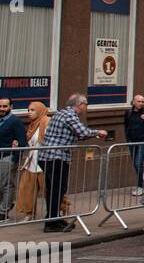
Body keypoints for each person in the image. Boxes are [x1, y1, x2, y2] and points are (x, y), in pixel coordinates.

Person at [38, 94, 107, 233]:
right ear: (79, 104)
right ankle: (51, 222)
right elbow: (81, 131)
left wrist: (93, 135)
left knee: (55, 189)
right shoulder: (70, 115)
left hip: (49, 156)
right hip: (56, 157)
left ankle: (54, 218)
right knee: (57, 189)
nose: (86, 107)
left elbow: (74, 134)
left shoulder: (61, 113)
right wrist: (98, 132)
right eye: (85, 104)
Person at [14, 101, 49, 220]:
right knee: (27, 188)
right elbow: (29, 143)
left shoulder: (46, 121)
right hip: (31, 162)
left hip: (45, 161)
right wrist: (18, 143)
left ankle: (61, 208)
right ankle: (29, 213)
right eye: (28, 110)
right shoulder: (32, 125)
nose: (29, 112)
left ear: (40, 110)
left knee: (49, 188)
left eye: (32, 110)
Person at [123, 94, 144, 194]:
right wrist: (128, 138)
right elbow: (126, 126)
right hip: (132, 141)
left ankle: (140, 186)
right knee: (135, 163)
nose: (141, 103)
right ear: (133, 102)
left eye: (142, 102)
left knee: (138, 162)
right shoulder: (129, 113)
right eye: (139, 101)